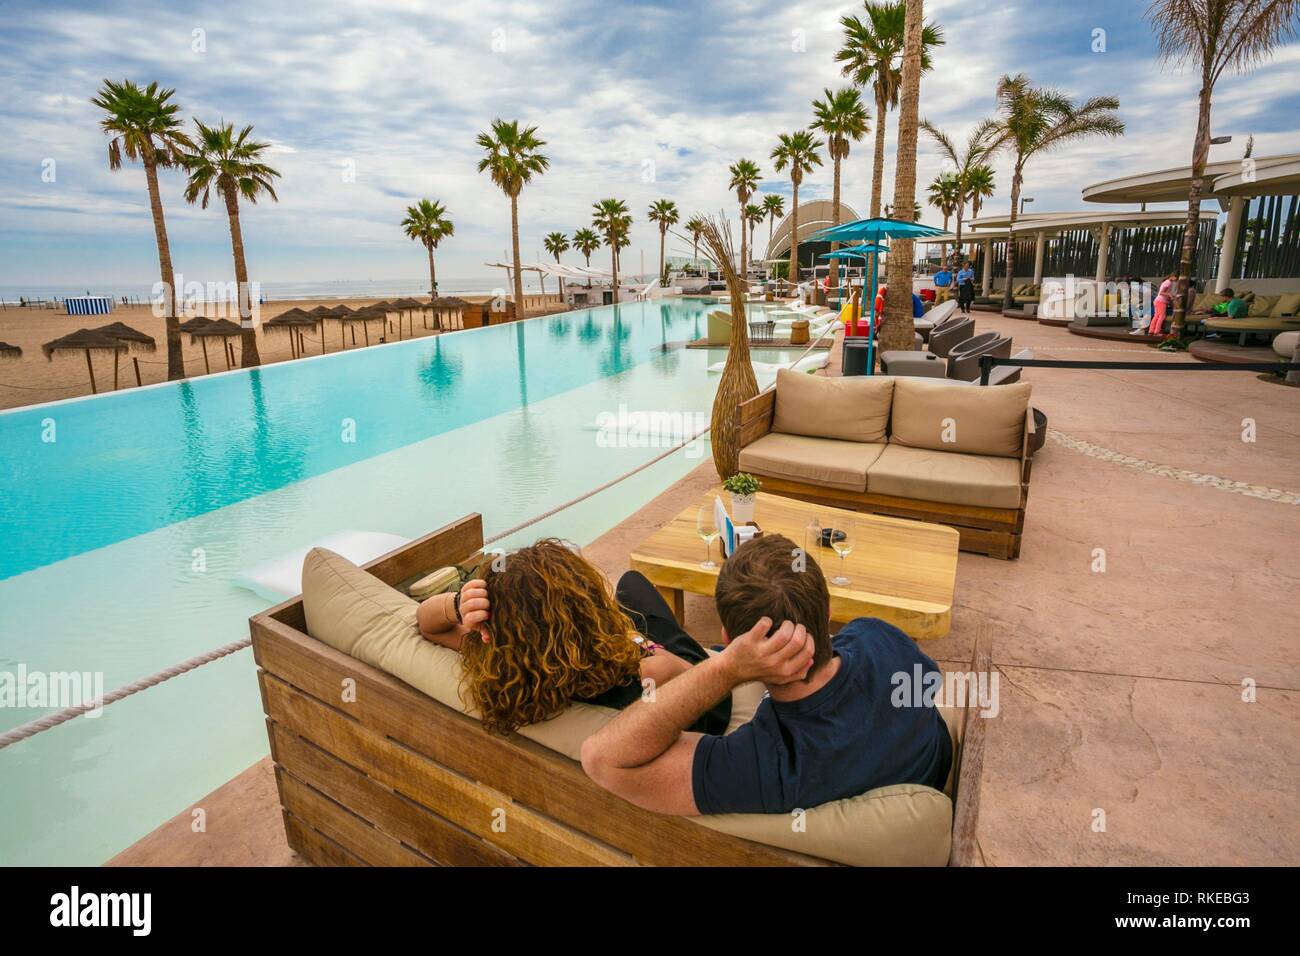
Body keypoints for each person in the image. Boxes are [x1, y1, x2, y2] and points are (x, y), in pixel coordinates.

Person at [580, 534, 953, 816]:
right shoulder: (881, 637)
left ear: (728, 640)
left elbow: (601, 758)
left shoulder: (768, 762)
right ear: (827, 616)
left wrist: (726, 669)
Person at [418, 539, 731, 736]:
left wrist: (459, 605)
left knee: (629, 594)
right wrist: (633, 638)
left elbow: (428, 624)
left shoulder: (502, 666)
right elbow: (702, 681)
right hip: (701, 699)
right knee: (632, 584)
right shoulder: (649, 672)